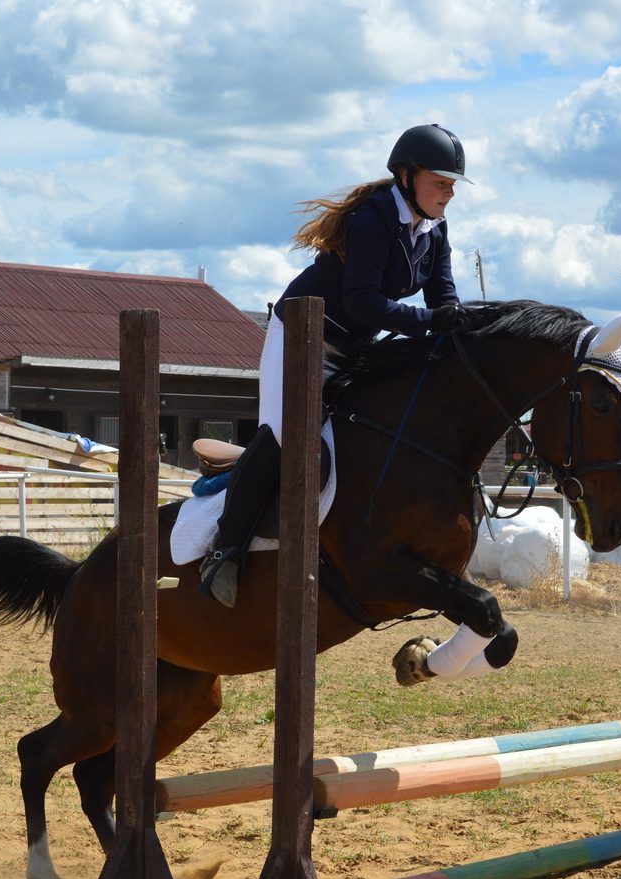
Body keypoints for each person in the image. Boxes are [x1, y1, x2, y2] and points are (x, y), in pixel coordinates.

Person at [200, 123, 470, 606]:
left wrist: (455, 324)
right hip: (301, 337)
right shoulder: (373, 217)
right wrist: (431, 320)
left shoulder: (434, 230)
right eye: (442, 181)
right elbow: (363, 301)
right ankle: (225, 549)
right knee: (286, 436)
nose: (449, 193)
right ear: (408, 177)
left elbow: (443, 295)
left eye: (452, 185)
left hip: (356, 347)